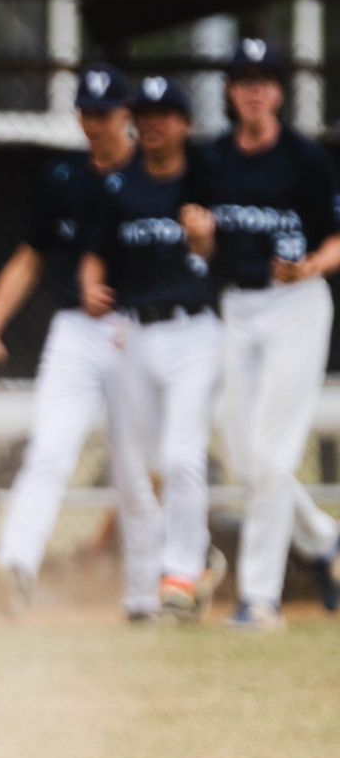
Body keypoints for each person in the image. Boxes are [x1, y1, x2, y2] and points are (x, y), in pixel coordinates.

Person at [0, 66, 162, 622]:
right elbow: (30, 256)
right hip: (76, 330)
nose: (93, 124)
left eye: (103, 113)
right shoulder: (63, 180)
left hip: (141, 328)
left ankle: (149, 592)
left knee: (134, 467)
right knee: (50, 451)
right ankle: (15, 568)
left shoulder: (158, 176)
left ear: (126, 114)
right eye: (85, 113)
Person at [202, 37, 340, 630]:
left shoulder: (305, 159)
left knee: (271, 450)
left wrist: (311, 265)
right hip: (239, 304)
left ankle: (260, 598)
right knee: (240, 450)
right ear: (231, 93)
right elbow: (204, 243)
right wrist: (197, 233)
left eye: (264, 80)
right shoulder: (214, 161)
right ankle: (325, 540)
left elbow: (334, 238)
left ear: (279, 92)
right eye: (244, 81)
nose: (255, 91)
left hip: (295, 305)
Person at [79, 75, 225, 625]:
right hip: (136, 331)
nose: (156, 123)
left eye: (167, 113)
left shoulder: (207, 177)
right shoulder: (120, 186)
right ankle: (201, 554)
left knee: (183, 456)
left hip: (194, 330)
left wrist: (204, 240)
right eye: (147, 113)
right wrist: (93, 288)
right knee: (150, 464)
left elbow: (226, 259)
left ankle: (180, 576)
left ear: (185, 123)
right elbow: (95, 253)